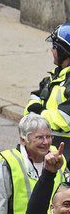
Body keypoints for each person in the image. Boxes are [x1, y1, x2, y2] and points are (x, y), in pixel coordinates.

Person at [25, 23, 70, 158]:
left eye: (54, 47)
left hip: (65, 152)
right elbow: (34, 99)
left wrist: (38, 115)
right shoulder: (56, 77)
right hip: (50, 146)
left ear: (64, 51)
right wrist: (35, 110)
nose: (51, 50)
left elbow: (65, 119)